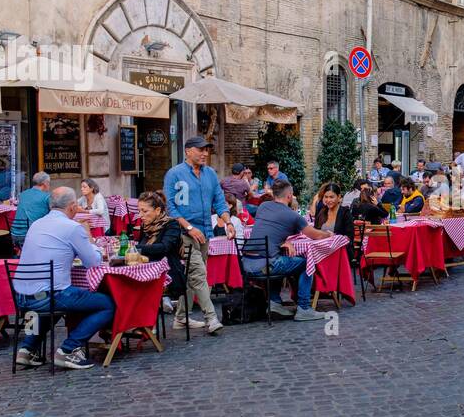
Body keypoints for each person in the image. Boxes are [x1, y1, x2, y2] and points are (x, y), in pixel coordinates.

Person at [11, 187, 114, 370]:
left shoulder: (36, 224)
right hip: (50, 295)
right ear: (73, 206)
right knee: (107, 304)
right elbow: (92, 262)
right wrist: (94, 245)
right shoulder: (72, 227)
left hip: (22, 296)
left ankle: (27, 348)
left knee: (52, 303)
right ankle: (69, 349)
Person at [163, 135, 233, 335]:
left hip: (205, 232)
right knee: (198, 274)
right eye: (200, 150)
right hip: (183, 233)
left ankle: (180, 318)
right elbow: (170, 207)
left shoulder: (210, 173)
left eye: (206, 150)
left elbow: (219, 201)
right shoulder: (174, 174)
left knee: (193, 277)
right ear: (188, 151)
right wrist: (188, 227)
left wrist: (228, 222)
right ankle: (211, 318)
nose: (205, 153)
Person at [240, 179, 330, 321]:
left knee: (280, 256)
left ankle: (274, 302)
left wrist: (285, 241)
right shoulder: (293, 215)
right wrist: (329, 234)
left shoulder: (263, 207)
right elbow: (316, 235)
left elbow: (270, 229)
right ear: (289, 196)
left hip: (246, 263)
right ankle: (304, 308)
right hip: (265, 265)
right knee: (308, 262)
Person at [135, 190, 185, 304]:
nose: (140, 215)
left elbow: (164, 247)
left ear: (157, 210)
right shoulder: (146, 225)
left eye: (144, 211)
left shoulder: (172, 224)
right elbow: (142, 248)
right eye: (139, 211)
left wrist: (137, 248)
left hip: (168, 273)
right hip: (147, 271)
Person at [11, 171, 53, 245]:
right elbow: (55, 213)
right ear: (45, 183)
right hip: (31, 235)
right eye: (49, 183)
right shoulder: (46, 197)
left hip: (14, 233)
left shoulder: (23, 194)